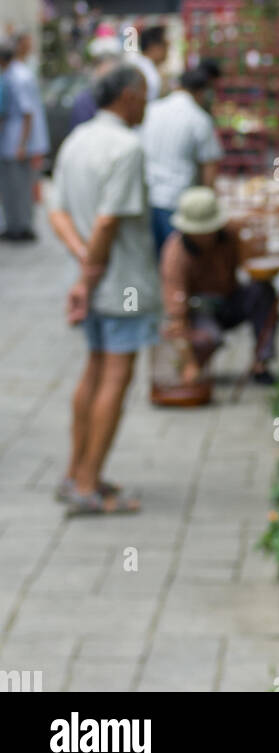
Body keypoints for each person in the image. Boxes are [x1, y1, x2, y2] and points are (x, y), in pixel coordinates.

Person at [48, 63, 160, 515]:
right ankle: (89, 484)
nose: (147, 104)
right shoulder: (127, 147)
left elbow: (57, 214)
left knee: (93, 371)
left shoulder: (77, 139)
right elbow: (108, 221)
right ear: (129, 96)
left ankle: (77, 473)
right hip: (121, 284)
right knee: (114, 376)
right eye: (146, 95)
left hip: (94, 283)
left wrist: (82, 266)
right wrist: (91, 272)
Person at [160, 187, 277, 385]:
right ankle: (192, 366)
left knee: (263, 291)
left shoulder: (231, 232)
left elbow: (254, 263)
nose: (205, 236)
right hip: (198, 310)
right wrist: (189, 362)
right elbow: (176, 313)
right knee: (207, 339)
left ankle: (261, 362)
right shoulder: (175, 253)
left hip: (230, 299)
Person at [140, 64, 223, 253]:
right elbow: (210, 167)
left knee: (159, 261)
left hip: (150, 198)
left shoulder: (152, 110)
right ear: (202, 93)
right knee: (179, 260)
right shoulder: (199, 119)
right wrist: (207, 209)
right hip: (179, 203)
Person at [0, 31, 50, 242]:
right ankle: (15, 226)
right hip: (15, 142)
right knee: (13, 187)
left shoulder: (17, 77)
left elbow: (27, 113)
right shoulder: (14, 74)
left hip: (18, 143)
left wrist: (22, 144)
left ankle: (21, 228)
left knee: (19, 187)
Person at [128, 24, 168, 103]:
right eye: (166, 46)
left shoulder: (137, 63)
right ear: (154, 47)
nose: (167, 51)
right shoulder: (150, 77)